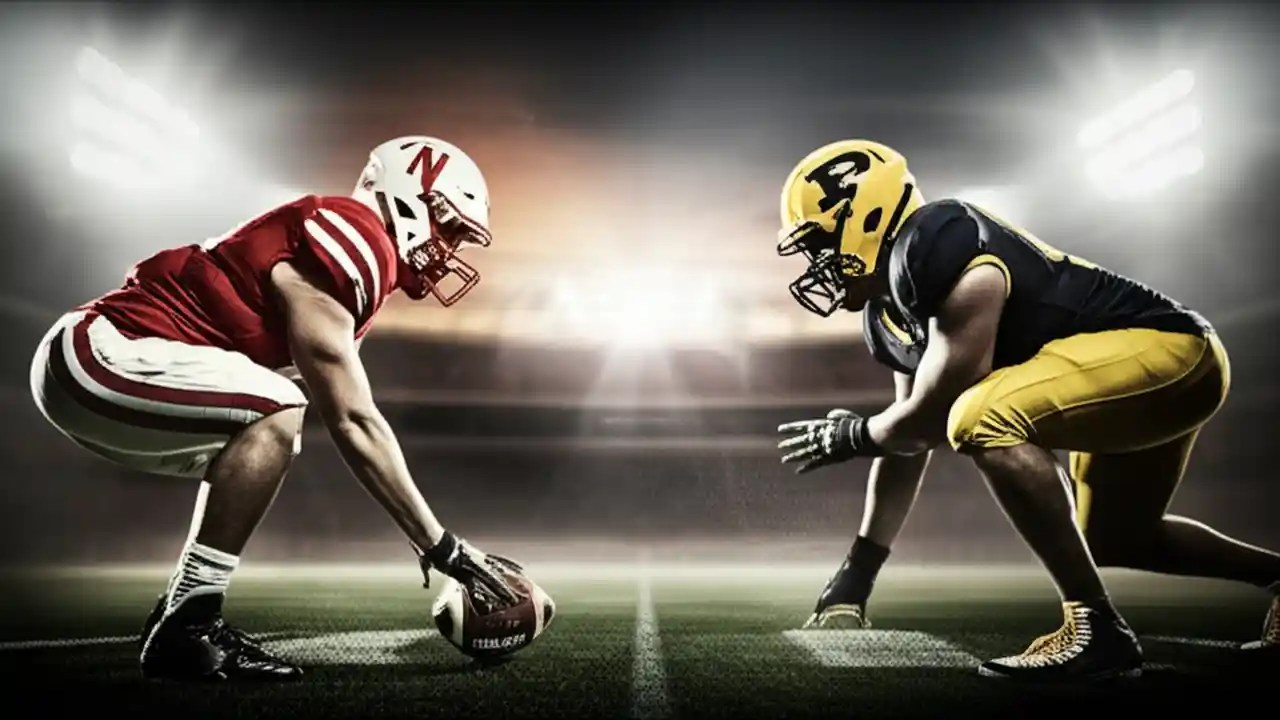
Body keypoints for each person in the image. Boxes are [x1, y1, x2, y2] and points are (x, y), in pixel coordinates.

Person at [773, 139, 1280, 681]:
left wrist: (853, 436)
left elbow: (936, 413)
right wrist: (858, 574)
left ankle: (1095, 628)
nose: (817, 263)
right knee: (1114, 538)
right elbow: (910, 437)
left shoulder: (938, 238)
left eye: (821, 242)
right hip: (1132, 379)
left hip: (1169, 349)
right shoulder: (889, 315)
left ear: (865, 216)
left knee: (977, 416)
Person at [28, 135, 524, 681]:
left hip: (101, 362)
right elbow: (354, 419)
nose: (448, 250)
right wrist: (442, 547)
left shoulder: (355, 257)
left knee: (268, 425)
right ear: (411, 197)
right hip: (102, 352)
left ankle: (181, 619)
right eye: (450, 227)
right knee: (277, 411)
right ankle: (189, 626)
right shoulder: (358, 235)